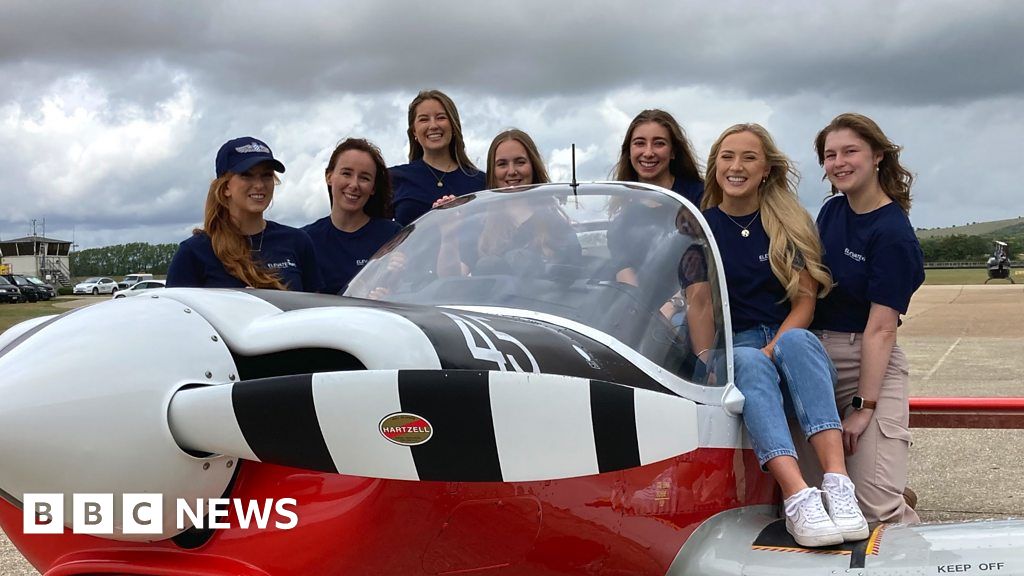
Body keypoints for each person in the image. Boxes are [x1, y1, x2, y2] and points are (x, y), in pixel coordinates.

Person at [699, 123, 868, 547]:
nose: (736, 166)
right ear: (715, 166)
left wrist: (773, 347)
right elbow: (698, 304)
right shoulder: (699, 227)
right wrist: (705, 363)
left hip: (790, 347)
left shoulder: (786, 223)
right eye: (727, 156)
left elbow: (804, 304)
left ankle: (838, 485)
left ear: (767, 170)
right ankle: (798, 497)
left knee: (793, 342)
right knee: (749, 360)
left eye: (749, 157)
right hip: (736, 350)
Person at [807, 113, 924, 525]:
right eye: (830, 155)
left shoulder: (893, 233)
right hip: (815, 360)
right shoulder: (831, 213)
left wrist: (863, 406)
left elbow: (881, 328)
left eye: (850, 151)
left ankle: (901, 520)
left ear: (877, 156)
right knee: (815, 501)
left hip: (867, 362)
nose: (839, 162)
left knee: (875, 508)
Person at [167, 137, 322, 291]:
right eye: (247, 175)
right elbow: (177, 306)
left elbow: (314, 304)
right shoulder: (195, 252)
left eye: (267, 175)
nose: (259, 185)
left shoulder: (297, 241)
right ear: (226, 187)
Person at [435, 129, 580, 277]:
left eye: (520, 162)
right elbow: (451, 278)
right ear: (493, 171)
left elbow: (574, 278)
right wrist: (448, 238)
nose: (511, 171)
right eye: (502, 164)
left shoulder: (556, 224)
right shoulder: (479, 224)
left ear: (533, 166)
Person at [608, 109, 704, 286]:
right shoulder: (622, 215)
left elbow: (705, 266)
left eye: (659, 143)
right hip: (642, 299)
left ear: (673, 152)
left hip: (691, 297)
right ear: (629, 151)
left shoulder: (699, 198)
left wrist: (675, 301)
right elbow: (625, 275)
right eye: (639, 143)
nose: (648, 152)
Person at [303, 138, 402, 294]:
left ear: (373, 188)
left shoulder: (393, 236)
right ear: (329, 176)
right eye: (346, 174)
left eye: (364, 178)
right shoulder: (305, 240)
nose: (354, 184)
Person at [389, 90, 486, 226]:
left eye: (441, 117)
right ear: (414, 131)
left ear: (453, 126)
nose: (433, 126)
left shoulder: (481, 182)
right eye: (424, 119)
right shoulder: (393, 178)